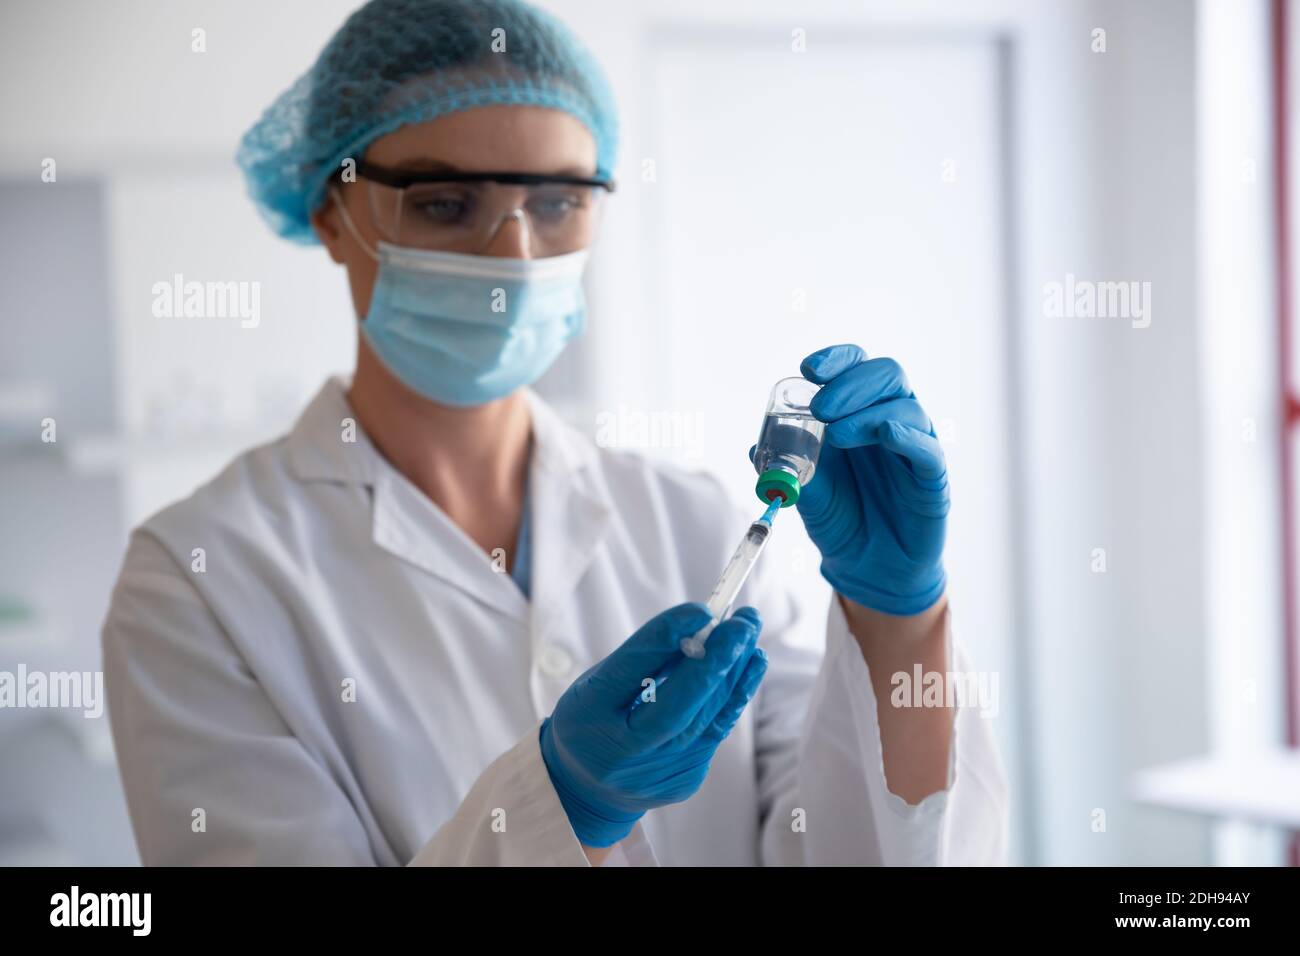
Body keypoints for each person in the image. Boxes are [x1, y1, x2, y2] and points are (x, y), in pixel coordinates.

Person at [102, 0, 1007, 866]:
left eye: (558, 201)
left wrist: (899, 623)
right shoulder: (198, 582)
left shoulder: (689, 519)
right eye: (446, 203)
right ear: (332, 214)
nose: (515, 256)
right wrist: (559, 810)